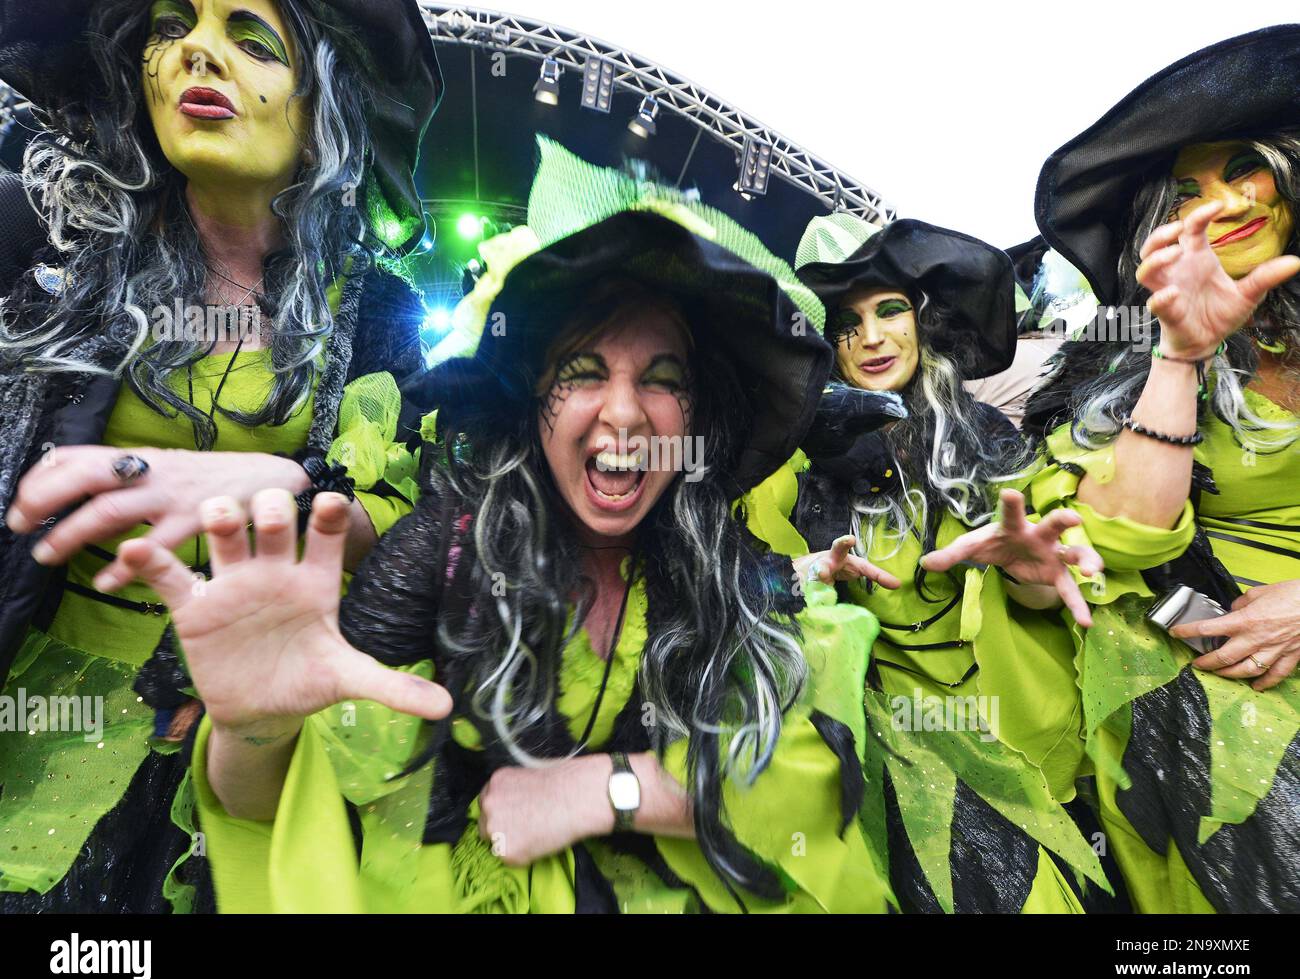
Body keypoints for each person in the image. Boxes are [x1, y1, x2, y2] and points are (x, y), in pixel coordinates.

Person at [120, 138, 896, 914]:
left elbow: (803, 778)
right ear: (533, 399)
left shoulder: (714, 553)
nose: (623, 413)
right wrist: (253, 732)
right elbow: (299, 819)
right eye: (583, 372)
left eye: (662, 381)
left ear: (698, 416)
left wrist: (607, 789)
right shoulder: (442, 548)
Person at [0, 0, 441, 912]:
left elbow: (426, 515)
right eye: (172, 25)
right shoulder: (41, 240)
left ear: (324, 103)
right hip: (31, 709)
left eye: (252, 39)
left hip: (236, 736)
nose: (199, 52)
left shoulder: (379, 311)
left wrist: (281, 487)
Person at [743, 213, 1112, 912]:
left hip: (1028, 728)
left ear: (921, 317)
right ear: (822, 342)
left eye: (888, 310)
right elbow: (739, 587)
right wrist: (807, 577)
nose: (873, 337)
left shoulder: (984, 435)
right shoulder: (793, 471)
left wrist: (1026, 574)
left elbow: (1052, 584)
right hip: (902, 770)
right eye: (845, 323)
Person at [1027, 24, 1300, 912]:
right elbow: (1124, 538)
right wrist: (1180, 355)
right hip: (1211, 665)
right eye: (1188, 191)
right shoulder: (1137, 351)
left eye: (1241, 169)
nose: (1219, 203)